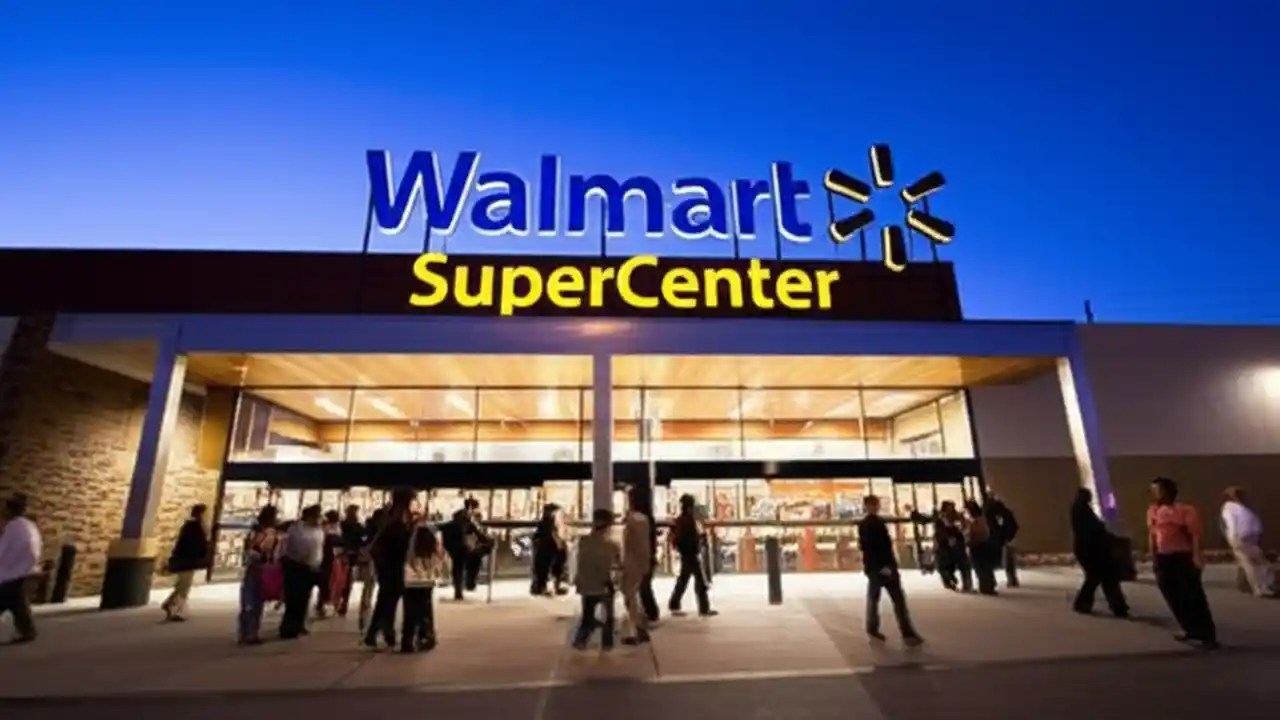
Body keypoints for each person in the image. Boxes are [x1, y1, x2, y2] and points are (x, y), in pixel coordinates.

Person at [1148, 477, 1217, 649]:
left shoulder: (1185, 510)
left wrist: (1196, 556)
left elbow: (1194, 535)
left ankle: (1206, 634)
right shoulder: (1153, 511)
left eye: (1160, 489)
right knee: (1172, 595)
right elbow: (1153, 535)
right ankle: (1189, 629)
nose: (1157, 493)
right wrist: (1153, 557)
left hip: (1183, 556)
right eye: (1154, 490)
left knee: (1192, 596)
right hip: (1164, 558)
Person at [859, 495, 924, 646]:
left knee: (875, 599)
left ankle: (873, 628)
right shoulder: (874, 524)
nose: (876, 507)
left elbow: (867, 548)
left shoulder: (867, 524)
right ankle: (906, 633)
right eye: (874, 504)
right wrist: (885, 566)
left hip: (876, 567)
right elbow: (875, 548)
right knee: (897, 600)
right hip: (883, 567)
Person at [364, 489, 414, 649]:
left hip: (389, 563)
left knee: (386, 598)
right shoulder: (396, 518)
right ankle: (381, 631)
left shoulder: (392, 515)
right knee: (388, 598)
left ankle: (381, 631)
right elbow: (394, 540)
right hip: (393, 563)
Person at [1070, 488, 1129, 617]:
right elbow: (1094, 531)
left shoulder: (1079, 511)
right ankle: (1117, 606)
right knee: (1105, 579)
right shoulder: (1084, 512)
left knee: (1096, 578)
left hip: (1088, 551)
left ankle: (1084, 604)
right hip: (1094, 552)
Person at [572, 508, 621, 651]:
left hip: (586, 584)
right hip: (604, 585)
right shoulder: (611, 545)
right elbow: (614, 566)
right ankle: (607, 643)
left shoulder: (583, 541)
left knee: (587, 615)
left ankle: (580, 640)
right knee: (608, 617)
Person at [0, 493, 41, 644]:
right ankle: (28, 631)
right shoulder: (30, 526)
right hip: (25, 570)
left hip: (11, 573)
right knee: (17, 603)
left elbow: (2, 549)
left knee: (12, 600)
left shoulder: (12, 527)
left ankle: (29, 631)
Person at [279, 505, 324, 640]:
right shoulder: (297, 529)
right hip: (296, 567)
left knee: (304, 598)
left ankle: (299, 624)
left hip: (311, 568)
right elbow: (295, 547)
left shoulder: (318, 530)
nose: (319, 519)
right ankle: (288, 628)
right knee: (293, 598)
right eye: (317, 516)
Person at [667, 494, 717, 617]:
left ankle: (674, 604)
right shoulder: (687, 520)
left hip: (687, 553)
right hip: (690, 554)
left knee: (684, 580)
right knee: (699, 582)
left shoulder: (681, 519)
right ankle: (703, 608)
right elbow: (687, 537)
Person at [238, 505, 280, 645]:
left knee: (248, 598)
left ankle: (244, 632)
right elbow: (265, 549)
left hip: (251, 565)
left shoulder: (254, 529)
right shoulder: (269, 531)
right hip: (262, 566)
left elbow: (248, 546)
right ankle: (251, 633)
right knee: (256, 600)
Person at [1221, 487, 1274, 597]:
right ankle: (1261, 587)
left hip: (1246, 538)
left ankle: (1258, 587)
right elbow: (1231, 522)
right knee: (1257, 563)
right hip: (1242, 538)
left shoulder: (1241, 508)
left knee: (1250, 563)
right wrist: (1234, 537)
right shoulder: (1230, 508)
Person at [162, 504, 210, 622]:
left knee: (182, 585)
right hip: (187, 560)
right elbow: (194, 545)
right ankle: (177, 609)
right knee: (184, 586)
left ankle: (171, 604)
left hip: (186, 559)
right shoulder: (194, 527)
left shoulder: (192, 526)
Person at [909, 501, 971, 592]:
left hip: (957, 544)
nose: (951, 511)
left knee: (963, 564)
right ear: (944, 510)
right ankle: (950, 580)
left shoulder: (957, 517)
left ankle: (966, 585)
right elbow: (928, 522)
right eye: (949, 509)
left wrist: (961, 530)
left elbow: (964, 527)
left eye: (953, 508)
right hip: (943, 545)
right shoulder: (939, 519)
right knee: (944, 566)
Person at [401, 520, 444, 653]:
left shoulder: (411, 551)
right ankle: (426, 636)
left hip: (410, 583)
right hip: (426, 583)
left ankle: (407, 640)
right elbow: (439, 563)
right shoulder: (432, 551)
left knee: (410, 612)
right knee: (425, 609)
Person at [621, 487, 653, 645]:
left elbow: (628, 543)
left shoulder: (633, 519)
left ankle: (637, 628)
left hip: (631, 562)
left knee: (630, 596)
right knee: (632, 595)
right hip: (641, 561)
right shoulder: (644, 519)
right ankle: (640, 626)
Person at [356, 508, 385, 629]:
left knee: (368, 587)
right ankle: (365, 612)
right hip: (374, 559)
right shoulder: (379, 530)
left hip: (370, 559)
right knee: (369, 586)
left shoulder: (369, 528)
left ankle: (364, 612)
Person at [336, 505, 365, 617]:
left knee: (341, 579)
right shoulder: (357, 526)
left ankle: (340, 601)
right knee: (348, 580)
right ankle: (344, 602)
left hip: (343, 554)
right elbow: (363, 539)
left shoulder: (342, 525)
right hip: (352, 555)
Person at [964, 501, 998, 595]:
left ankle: (987, 586)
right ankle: (987, 585)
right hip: (981, 545)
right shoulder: (980, 520)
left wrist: (970, 533)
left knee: (981, 566)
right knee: (983, 567)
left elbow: (981, 533)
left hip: (979, 545)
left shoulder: (978, 520)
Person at [986, 495, 1020, 588]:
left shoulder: (1001, 514)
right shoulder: (999, 514)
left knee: (1008, 560)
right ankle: (1011, 579)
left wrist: (1007, 537)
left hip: (1005, 539)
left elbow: (1013, 526)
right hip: (1005, 539)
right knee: (1008, 560)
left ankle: (1011, 579)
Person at [315, 510, 343, 619]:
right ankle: (324, 604)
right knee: (327, 583)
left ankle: (322, 604)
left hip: (325, 559)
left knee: (326, 583)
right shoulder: (331, 530)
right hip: (327, 559)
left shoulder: (324, 529)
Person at [531, 503, 561, 596]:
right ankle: (540, 587)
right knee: (543, 569)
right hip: (545, 547)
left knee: (542, 569)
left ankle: (540, 587)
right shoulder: (547, 522)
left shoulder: (546, 521)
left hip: (544, 547)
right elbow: (549, 534)